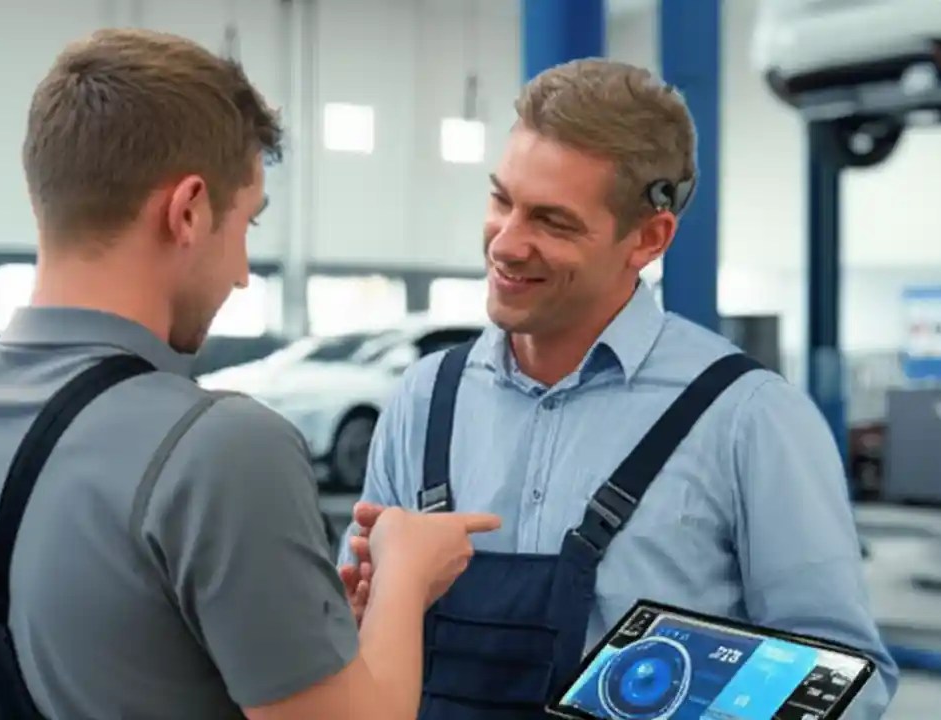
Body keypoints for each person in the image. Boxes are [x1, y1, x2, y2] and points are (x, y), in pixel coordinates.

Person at [0, 28, 499, 720]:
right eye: (247, 227)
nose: (238, 273)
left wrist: (309, 645)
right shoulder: (222, 446)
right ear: (190, 210)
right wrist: (405, 578)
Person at [339, 59, 900, 719]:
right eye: (502, 200)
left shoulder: (749, 418)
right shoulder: (426, 398)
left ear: (648, 238)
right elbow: (348, 634)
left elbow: (846, 682)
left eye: (553, 222)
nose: (507, 244)